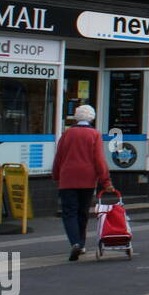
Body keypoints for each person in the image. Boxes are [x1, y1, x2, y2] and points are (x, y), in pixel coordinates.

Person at [51, 104, 114, 261]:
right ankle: (82, 244)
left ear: (76, 116)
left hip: (67, 178)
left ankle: (75, 243)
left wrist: (56, 175)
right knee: (83, 212)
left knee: (69, 213)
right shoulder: (94, 134)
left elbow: (59, 156)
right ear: (92, 117)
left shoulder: (67, 134)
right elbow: (99, 160)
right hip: (87, 179)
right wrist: (106, 181)